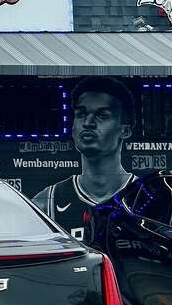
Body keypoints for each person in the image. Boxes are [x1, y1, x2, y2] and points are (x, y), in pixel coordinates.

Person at [31, 78, 136, 240]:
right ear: (72, 128)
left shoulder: (144, 198)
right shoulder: (46, 203)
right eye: (81, 114)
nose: (88, 123)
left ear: (125, 130)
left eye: (102, 115)